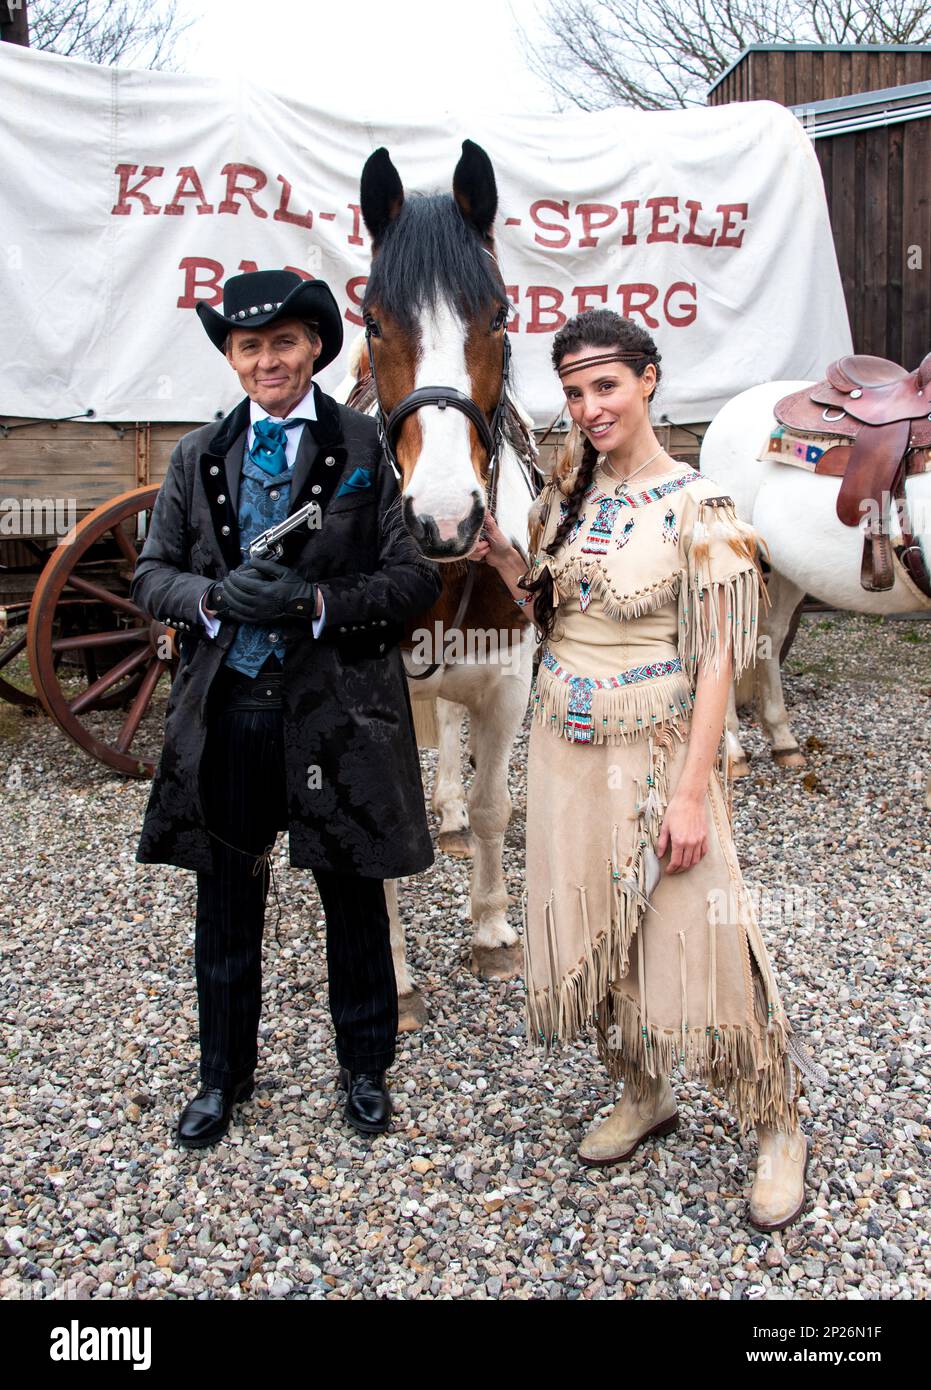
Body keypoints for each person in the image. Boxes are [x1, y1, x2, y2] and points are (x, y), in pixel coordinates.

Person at [472, 309, 809, 1231]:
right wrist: (504, 556)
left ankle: (775, 1121)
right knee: (590, 920)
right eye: (575, 392)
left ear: (648, 380)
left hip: (658, 753)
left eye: (605, 385)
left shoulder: (698, 505)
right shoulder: (564, 499)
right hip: (562, 744)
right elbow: (549, 612)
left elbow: (716, 663)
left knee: (700, 930)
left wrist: (692, 794)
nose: (589, 406)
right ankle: (642, 1089)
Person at [131, 269, 441, 1147]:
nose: (268, 360)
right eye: (249, 346)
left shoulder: (368, 447)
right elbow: (152, 573)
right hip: (231, 712)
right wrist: (218, 597)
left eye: (284, 343)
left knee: (352, 893)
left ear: (314, 347)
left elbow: (413, 576)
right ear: (231, 359)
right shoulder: (196, 457)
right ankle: (221, 1077)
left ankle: (364, 1068)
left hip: (337, 713)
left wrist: (311, 605)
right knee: (226, 898)